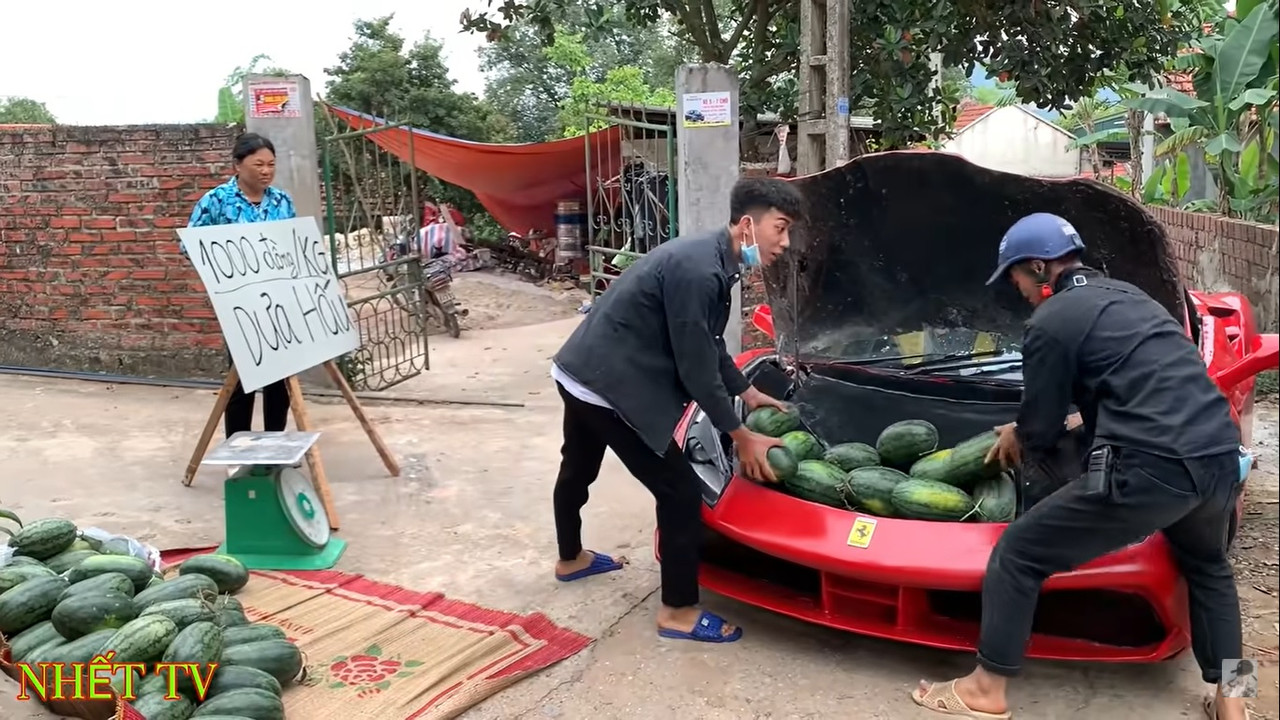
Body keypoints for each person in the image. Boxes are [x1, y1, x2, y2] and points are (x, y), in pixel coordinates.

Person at [912, 212, 1247, 720]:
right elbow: (1141, 386)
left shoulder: (1051, 321)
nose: (1017, 289)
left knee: (1018, 553)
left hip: (1152, 469)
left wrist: (1020, 434)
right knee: (1210, 569)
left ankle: (985, 689)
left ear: (1038, 267)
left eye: (1016, 277)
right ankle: (1234, 703)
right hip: (1219, 453)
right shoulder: (1132, 298)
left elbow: (1040, 432)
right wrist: (1068, 423)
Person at [549, 177, 804, 643]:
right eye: (781, 228)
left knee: (578, 466)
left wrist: (746, 393)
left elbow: (707, 342)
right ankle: (678, 611)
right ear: (748, 225)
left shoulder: (713, 260)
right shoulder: (700, 271)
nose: (785, 243)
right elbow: (695, 369)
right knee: (680, 492)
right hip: (609, 385)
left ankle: (571, 560)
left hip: (580, 370)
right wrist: (740, 434)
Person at [185, 132, 297, 473]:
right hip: (239, 305)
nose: (266, 171)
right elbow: (190, 245)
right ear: (237, 164)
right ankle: (239, 452)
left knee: (280, 379)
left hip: (279, 302)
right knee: (243, 378)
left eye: (271, 165)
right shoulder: (216, 201)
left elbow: (293, 244)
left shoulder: (282, 201)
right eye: (258, 164)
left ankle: (275, 448)